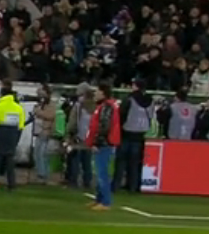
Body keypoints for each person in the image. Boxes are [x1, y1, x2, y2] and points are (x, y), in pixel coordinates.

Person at [113, 79, 153, 193]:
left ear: (135, 86)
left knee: (121, 161)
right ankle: (133, 186)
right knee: (135, 163)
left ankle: (116, 185)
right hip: (140, 134)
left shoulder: (129, 99)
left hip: (127, 133)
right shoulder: (150, 101)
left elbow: (121, 115)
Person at [0, 80, 26, 191]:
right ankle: (12, 185)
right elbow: (21, 125)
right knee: (10, 162)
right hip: (13, 134)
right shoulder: (18, 107)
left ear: (1, 94)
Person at [85, 83, 121, 211]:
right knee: (100, 172)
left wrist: (96, 142)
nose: (95, 94)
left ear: (103, 93)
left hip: (104, 144)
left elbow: (104, 127)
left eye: (97, 91)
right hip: (104, 143)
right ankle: (99, 199)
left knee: (102, 173)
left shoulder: (107, 107)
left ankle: (106, 202)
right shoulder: (104, 106)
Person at [65, 83, 94, 190]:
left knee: (75, 160)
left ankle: (73, 181)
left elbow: (72, 122)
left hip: (78, 136)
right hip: (90, 137)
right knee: (87, 161)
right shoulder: (95, 106)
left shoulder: (78, 106)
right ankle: (87, 182)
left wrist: (68, 134)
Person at [31, 84, 55, 184]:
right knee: (37, 153)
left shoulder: (51, 104)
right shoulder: (40, 104)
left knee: (42, 154)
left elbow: (51, 115)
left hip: (45, 131)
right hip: (38, 131)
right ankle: (39, 173)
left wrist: (38, 112)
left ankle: (43, 175)